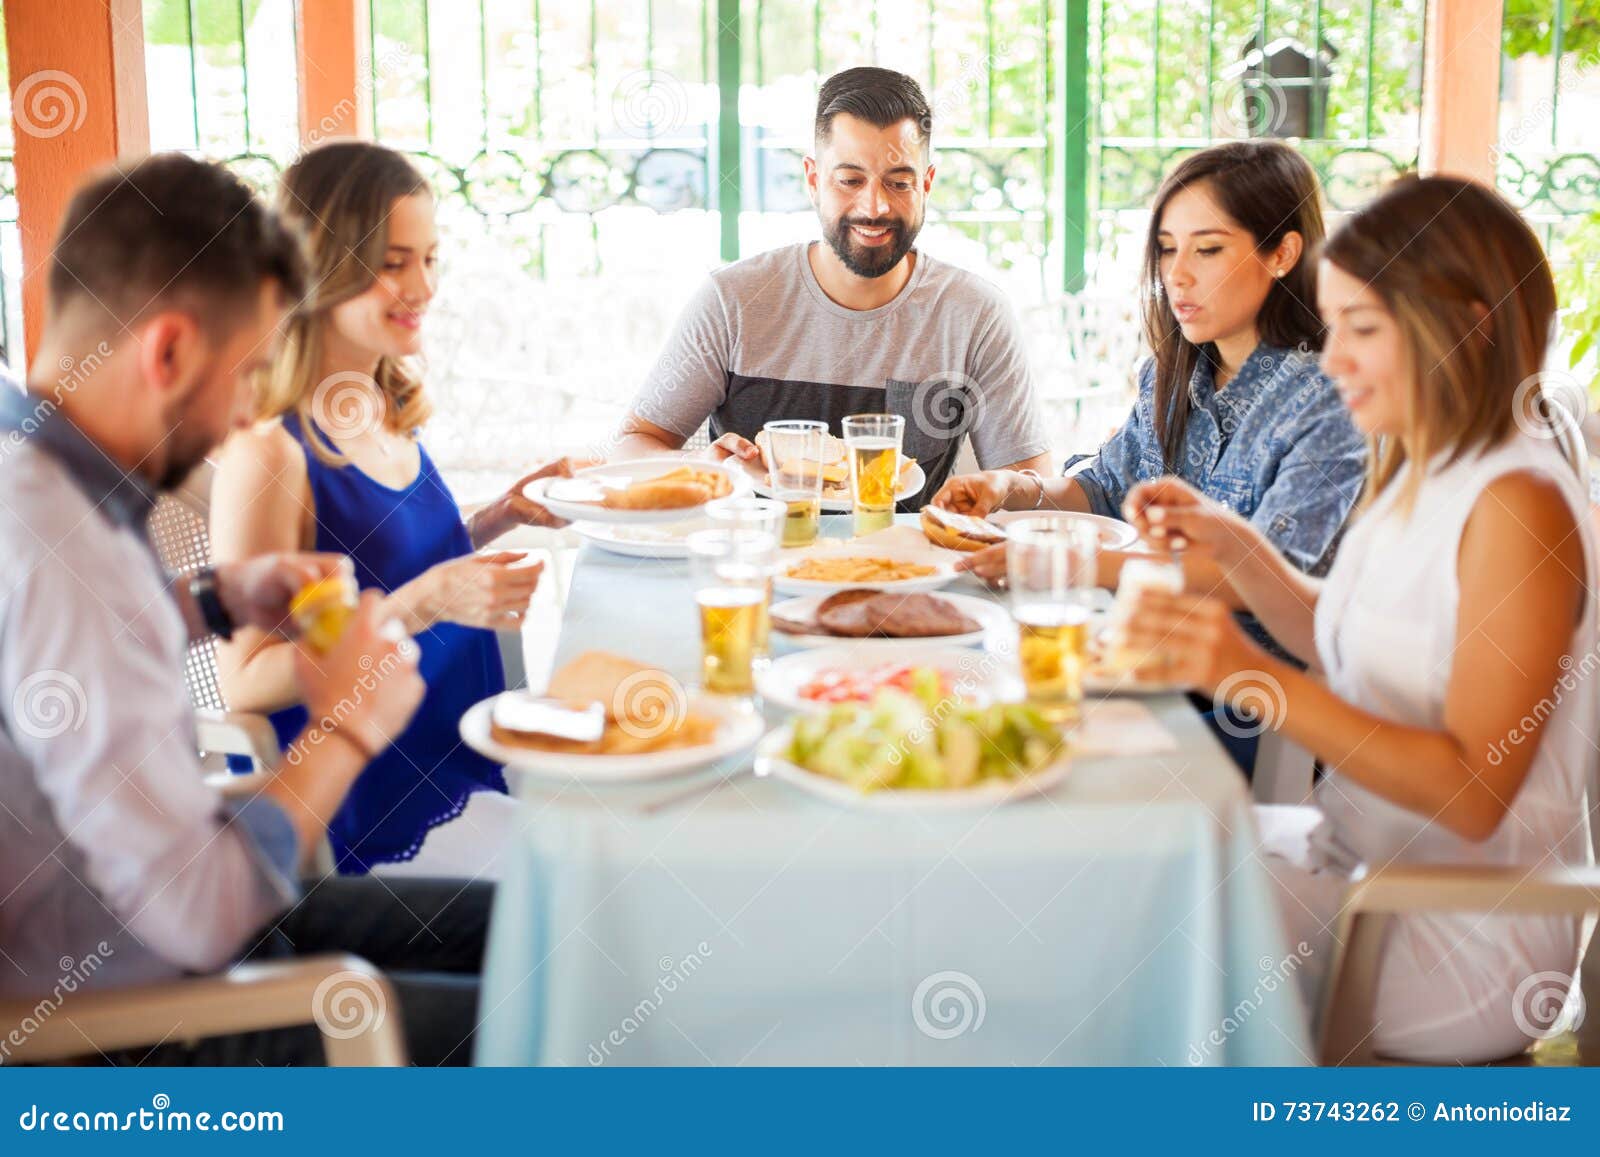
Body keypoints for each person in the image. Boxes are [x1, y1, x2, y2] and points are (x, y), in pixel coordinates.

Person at [0, 153, 486, 1066]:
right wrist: (345, 724)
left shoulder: (32, 474)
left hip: (143, 912)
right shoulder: (60, 552)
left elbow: (61, 649)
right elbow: (204, 910)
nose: (241, 419)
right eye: (246, 372)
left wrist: (214, 598)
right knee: (556, 1014)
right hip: (117, 1022)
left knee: (532, 929)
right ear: (170, 350)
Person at [1120, 176, 1596, 1063]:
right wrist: (1239, 548)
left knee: (1117, 944)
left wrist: (1246, 674)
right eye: (1334, 325)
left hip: (1443, 923)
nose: (1332, 361)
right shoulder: (1428, 460)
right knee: (1121, 863)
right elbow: (1347, 637)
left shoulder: (1520, 505)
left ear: (1472, 323)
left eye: (1364, 329)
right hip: (1351, 860)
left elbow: (1475, 790)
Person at [212, 142, 567, 879]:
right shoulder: (270, 453)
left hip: (463, 747)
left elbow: (380, 558)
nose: (423, 286)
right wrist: (424, 601)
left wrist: (495, 516)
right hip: (378, 796)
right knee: (588, 883)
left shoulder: (382, 402)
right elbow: (245, 678)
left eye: (431, 259)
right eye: (393, 262)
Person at [931, 140, 1365, 595]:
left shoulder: (1331, 400)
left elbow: (1267, 575)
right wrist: (1006, 488)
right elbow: (1103, 490)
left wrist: (1070, 563)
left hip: (1251, 664)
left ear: (1281, 254)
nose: (1176, 274)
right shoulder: (1170, 376)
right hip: (1137, 639)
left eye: (1208, 249)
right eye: (1166, 248)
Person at [611, 66, 1054, 501]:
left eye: (899, 182)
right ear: (813, 180)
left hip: (909, 565)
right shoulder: (733, 300)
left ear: (926, 184)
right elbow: (634, 442)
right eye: (850, 180)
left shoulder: (974, 313)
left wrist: (997, 494)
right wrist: (704, 470)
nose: (874, 206)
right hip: (752, 561)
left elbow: (1033, 488)